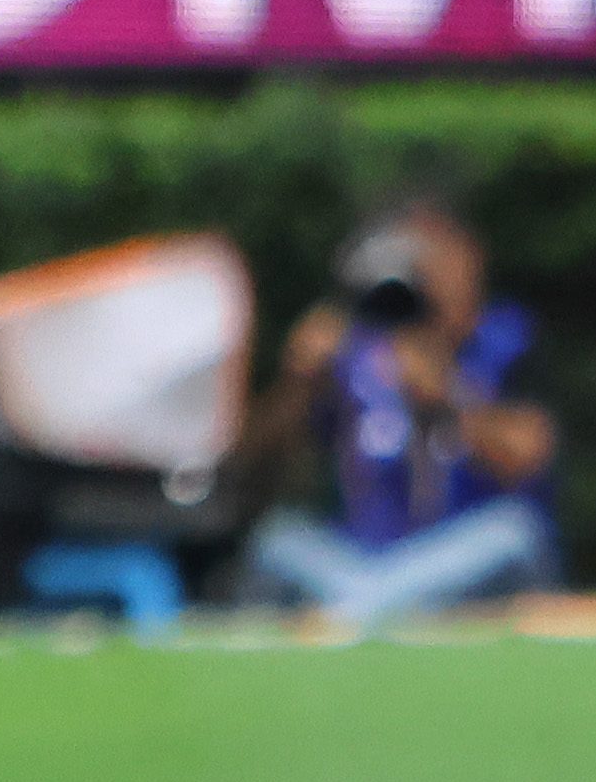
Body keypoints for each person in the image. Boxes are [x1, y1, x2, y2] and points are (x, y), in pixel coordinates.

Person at [237, 198, 560, 632]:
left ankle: (353, 613)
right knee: (278, 538)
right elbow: (250, 461)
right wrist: (298, 380)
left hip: (462, 559)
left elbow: (529, 454)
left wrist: (447, 393)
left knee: (514, 532)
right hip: (355, 557)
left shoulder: (504, 337)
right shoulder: (353, 351)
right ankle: (379, 606)